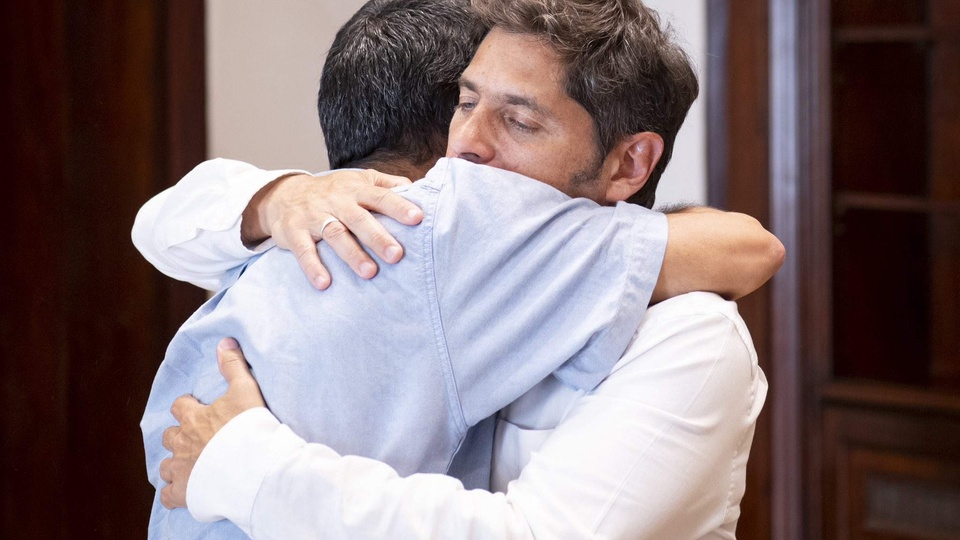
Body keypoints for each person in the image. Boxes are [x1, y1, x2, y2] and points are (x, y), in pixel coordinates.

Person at [136, 0, 781, 538]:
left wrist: (244, 463)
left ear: (628, 165)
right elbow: (164, 226)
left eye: (520, 121)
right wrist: (278, 196)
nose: (466, 145)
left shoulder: (692, 338)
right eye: (465, 102)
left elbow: (535, 535)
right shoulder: (383, 232)